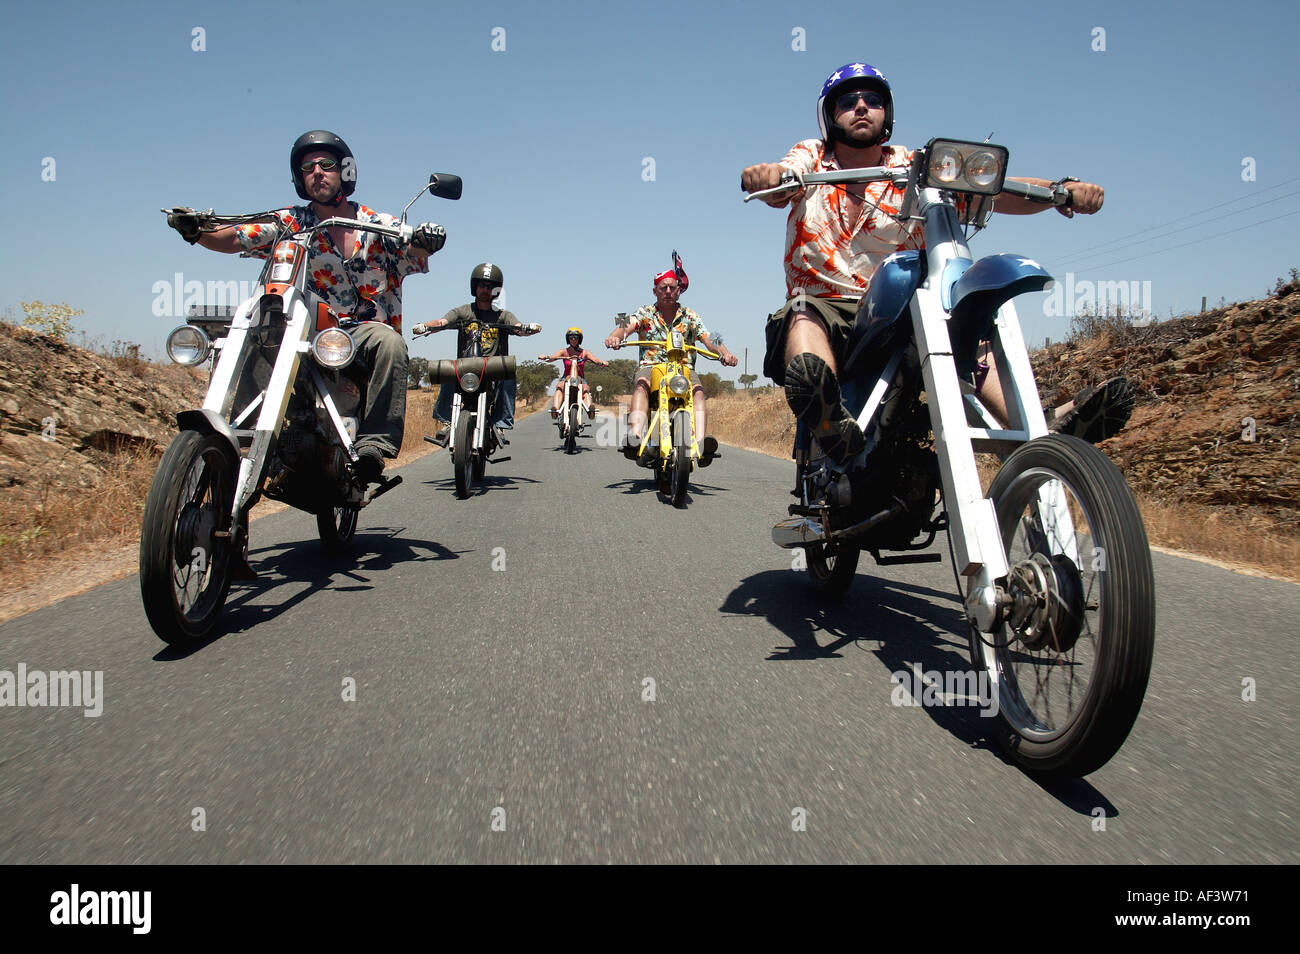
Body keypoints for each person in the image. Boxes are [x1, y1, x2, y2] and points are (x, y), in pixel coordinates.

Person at [740, 63, 1133, 464]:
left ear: (887, 113)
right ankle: (830, 423)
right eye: (848, 101)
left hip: (899, 305)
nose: (861, 107)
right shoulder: (813, 156)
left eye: (873, 100)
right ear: (829, 114)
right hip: (830, 304)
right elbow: (783, 179)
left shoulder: (915, 165)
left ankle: (1037, 429)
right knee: (803, 313)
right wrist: (771, 176)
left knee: (967, 329)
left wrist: (1059, 191)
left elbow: (989, 191)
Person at [166, 129, 446, 483]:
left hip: (361, 335)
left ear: (345, 170)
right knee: (258, 334)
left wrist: (427, 239)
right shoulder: (290, 222)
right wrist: (196, 231)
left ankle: (374, 446)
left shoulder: (378, 225)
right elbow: (237, 236)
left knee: (390, 342)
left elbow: (415, 252)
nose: (316, 172)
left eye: (326, 164)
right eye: (307, 167)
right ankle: (245, 439)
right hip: (308, 327)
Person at [604, 264, 738, 462]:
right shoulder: (644, 312)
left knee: (698, 391)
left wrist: (726, 353)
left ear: (679, 291)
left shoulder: (690, 315)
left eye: (672, 288)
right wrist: (614, 337)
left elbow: (711, 337)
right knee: (641, 384)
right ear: (654, 291)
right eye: (663, 288)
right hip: (651, 366)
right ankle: (636, 437)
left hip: (684, 368)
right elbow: (623, 324)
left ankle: (701, 443)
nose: (667, 292)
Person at [414, 263, 534, 445]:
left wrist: (526, 328)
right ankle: (447, 421)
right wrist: (425, 327)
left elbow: (517, 327)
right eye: (482, 285)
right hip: (466, 366)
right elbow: (442, 322)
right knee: (447, 372)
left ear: (496, 290)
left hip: (493, 368)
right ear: (474, 287)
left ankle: (500, 424)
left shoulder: (503, 315)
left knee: (509, 378)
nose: (485, 290)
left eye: (489, 286)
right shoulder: (462, 311)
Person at [539, 327, 608, 421]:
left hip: (580, 378)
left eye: (576, 337)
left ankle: (590, 410)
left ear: (580, 339)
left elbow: (594, 359)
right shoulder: (563, 352)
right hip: (566, 377)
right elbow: (553, 357)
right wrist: (546, 357)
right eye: (571, 337)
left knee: (585, 389)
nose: (573, 339)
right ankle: (555, 409)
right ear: (568, 339)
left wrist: (601, 362)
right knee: (560, 387)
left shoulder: (585, 353)